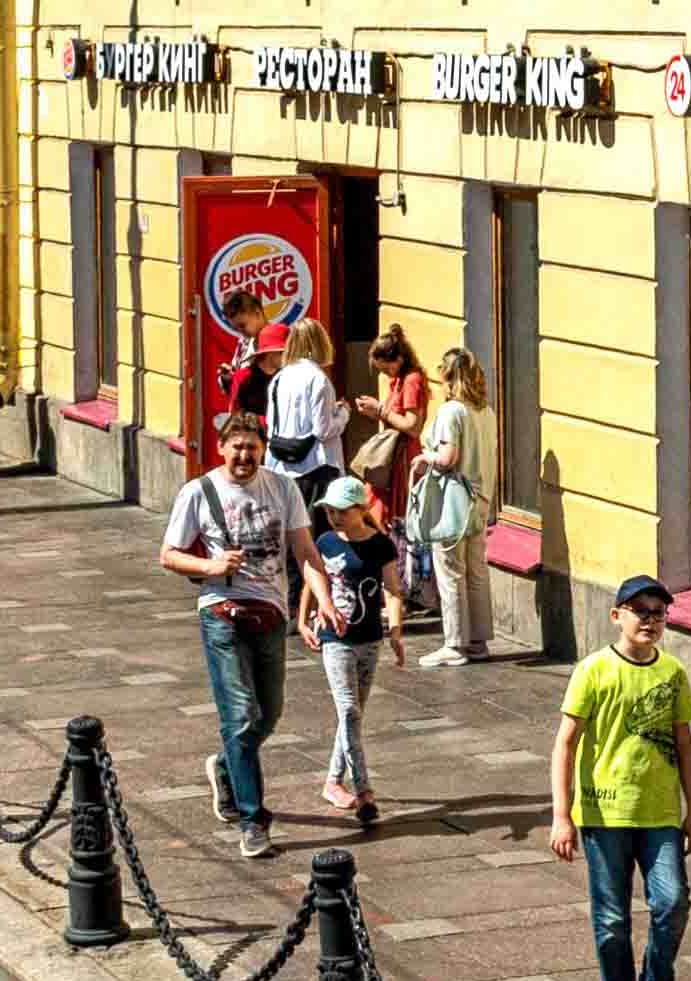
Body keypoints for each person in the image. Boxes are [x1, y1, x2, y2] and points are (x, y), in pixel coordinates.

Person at [544, 575, 691, 981]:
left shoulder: (672, 672)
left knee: (672, 903)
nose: (650, 620)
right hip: (605, 814)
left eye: (659, 612)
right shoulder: (593, 670)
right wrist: (561, 815)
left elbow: (685, 745)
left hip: (659, 814)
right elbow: (565, 744)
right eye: (640, 611)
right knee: (612, 918)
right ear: (617, 616)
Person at [153, 407, 315, 859]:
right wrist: (212, 565)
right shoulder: (198, 492)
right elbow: (168, 554)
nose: (244, 456)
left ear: (263, 450)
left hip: (271, 613)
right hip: (221, 612)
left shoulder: (283, 488)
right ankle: (253, 821)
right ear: (221, 447)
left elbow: (304, 549)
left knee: (270, 714)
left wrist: (322, 597)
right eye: (237, 447)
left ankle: (226, 766)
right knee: (241, 716)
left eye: (252, 448)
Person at [306, 469, 404, 830]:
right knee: (348, 710)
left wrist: (396, 631)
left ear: (361, 509)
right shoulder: (326, 541)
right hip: (335, 639)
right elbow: (313, 578)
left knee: (353, 715)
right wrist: (303, 619)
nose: (334, 517)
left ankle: (332, 782)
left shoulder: (381, 545)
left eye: (341, 511)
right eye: (330, 511)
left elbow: (392, 590)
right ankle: (364, 791)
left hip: (370, 639)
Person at [406, 352, 503, 667]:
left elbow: (448, 458)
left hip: (453, 499)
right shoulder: (486, 412)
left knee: (450, 572)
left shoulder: (451, 411)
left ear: (449, 378)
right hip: (481, 498)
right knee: (476, 571)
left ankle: (455, 644)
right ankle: (478, 641)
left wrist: (425, 458)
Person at [353, 329, 436, 617]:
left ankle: (401, 592)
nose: (385, 373)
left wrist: (380, 411)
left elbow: (413, 425)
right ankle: (391, 588)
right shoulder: (399, 379)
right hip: (393, 459)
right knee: (381, 520)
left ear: (398, 359)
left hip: (402, 460)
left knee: (397, 524)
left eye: (385, 367)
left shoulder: (412, 381)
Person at [256, 315, 341, 473]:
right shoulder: (318, 378)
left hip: (281, 467)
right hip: (315, 468)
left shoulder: (278, 379)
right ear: (321, 343)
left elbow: (271, 425)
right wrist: (343, 415)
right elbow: (323, 431)